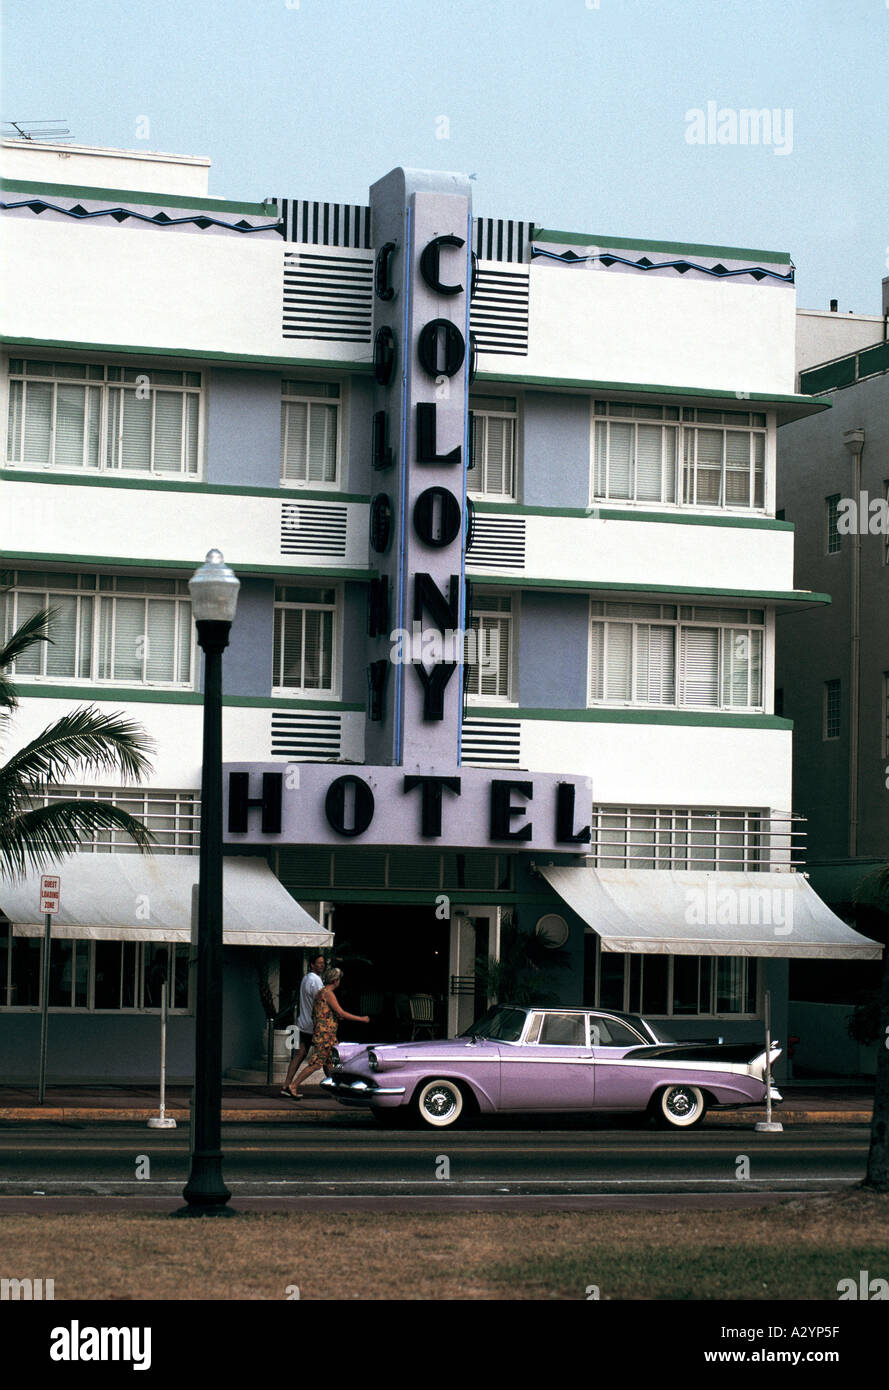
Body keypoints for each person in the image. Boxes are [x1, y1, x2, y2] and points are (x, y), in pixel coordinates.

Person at [287, 968, 369, 1098]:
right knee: (316, 1064)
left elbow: (317, 1013)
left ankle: (336, 1090)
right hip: (326, 1034)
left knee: (330, 1063)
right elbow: (341, 1012)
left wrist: (331, 1018)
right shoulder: (329, 993)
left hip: (324, 1033)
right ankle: (293, 1085)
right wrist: (362, 1019)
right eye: (339, 980)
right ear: (336, 981)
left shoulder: (320, 993)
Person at [279, 953, 326, 1098]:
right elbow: (321, 1002)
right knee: (324, 1058)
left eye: (322, 963)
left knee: (299, 1054)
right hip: (314, 1025)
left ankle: (286, 1084)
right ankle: (293, 1085)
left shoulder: (305, 979)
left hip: (302, 1023)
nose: (322, 965)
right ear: (312, 964)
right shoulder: (316, 981)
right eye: (318, 963)